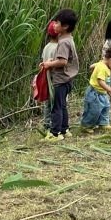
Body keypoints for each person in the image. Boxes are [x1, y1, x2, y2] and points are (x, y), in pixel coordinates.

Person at [40, 9, 79, 141]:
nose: (54, 25)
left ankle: (55, 133)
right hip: (67, 79)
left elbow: (62, 61)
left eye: (57, 23)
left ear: (65, 26)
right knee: (62, 105)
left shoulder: (63, 42)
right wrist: (52, 61)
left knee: (56, 107)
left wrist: (49, 65)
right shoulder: (69, 39)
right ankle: (64, 129)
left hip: (60, 80)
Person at [81, 45, 111, 132]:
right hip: (95, 94)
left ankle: (103, 123)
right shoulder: (102, 68)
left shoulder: (103, 64)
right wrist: (110, 90)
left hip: (102, 93)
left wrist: (93, 67)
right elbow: (100, 81)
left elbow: (92, 66)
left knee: (106, 107)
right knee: (94, 110)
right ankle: (86, 125)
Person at [39, 19, 60, 132]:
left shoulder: (47, 47)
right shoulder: (57, 48)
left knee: (48, 101)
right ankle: (54, 123)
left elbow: (43, 61)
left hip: (46, 77)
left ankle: (46, 122)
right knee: (56, 101)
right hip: (54, 78)